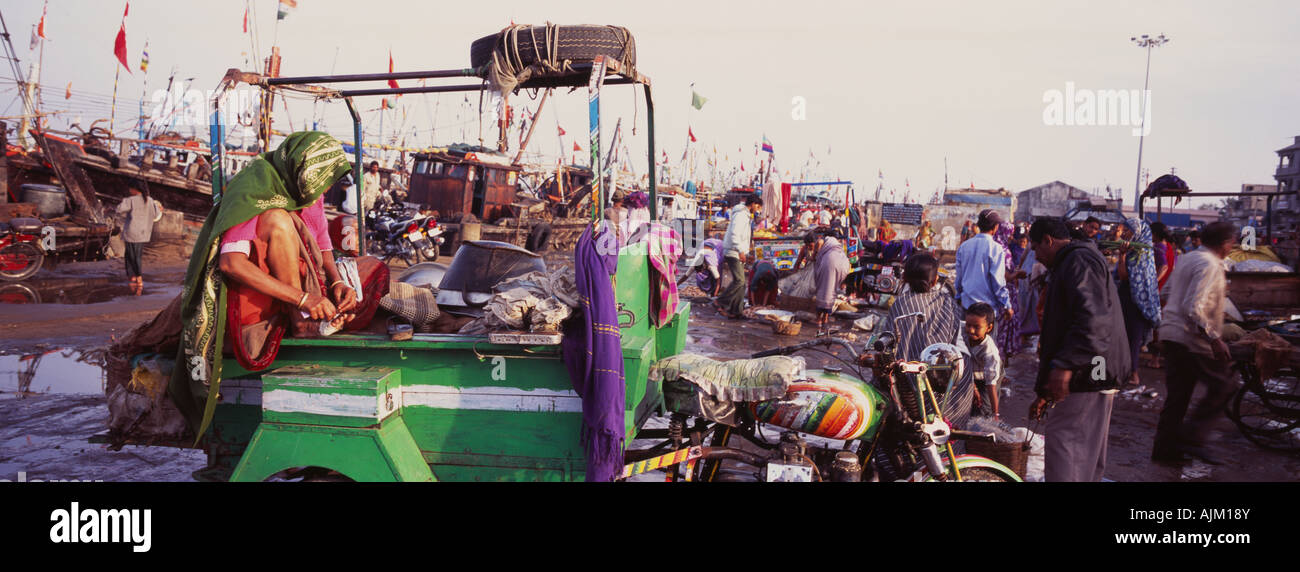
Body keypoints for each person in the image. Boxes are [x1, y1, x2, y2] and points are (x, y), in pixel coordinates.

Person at [1027, 217, 1129, 482]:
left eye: (1036, 248)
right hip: (1093, 368)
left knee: (1066, 442)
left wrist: (1064, 366)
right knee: (1085, 450)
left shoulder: (1078, 260)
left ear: (1048, 241)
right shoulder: (1073, 261)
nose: (1036, 256)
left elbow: (1092, 320)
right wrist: (1044, 389)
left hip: (1091, 370)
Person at [1151, 221, 1238, 466]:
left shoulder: (1189, 258)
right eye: (1232, 242)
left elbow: (1166, 294)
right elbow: (1194, 307)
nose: (1232, 247)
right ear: (1224, 244)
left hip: (1173, 334)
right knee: (1225, 385)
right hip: (1191, 338)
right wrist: (1215, 338)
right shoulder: (1210, 264)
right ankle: (1192, 438)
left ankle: (1165, 450)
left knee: (1178, 396)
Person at [880, 252, 974, 428]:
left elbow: (887, 340)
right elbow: (952, 340)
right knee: (963, 367)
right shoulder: (946, 302)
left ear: (905, 278)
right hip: (940, 380)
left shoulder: (899, 303)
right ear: (934, 280)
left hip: (904, 379)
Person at [1113, 218, 1164, 387]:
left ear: (1138, 233)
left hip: (1135, 300)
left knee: (1132, 338)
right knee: (1125, 337)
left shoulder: (1140, 253)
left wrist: (1121, 256)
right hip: (1127, 298)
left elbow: (1124, 276)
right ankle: (1125, 370)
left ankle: (1133, 374)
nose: (1125, 234)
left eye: (1129, 231)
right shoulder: (1139, 250)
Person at [954, 209, 1013, 322]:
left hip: (967, 306)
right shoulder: (996, 248)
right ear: (995, 227)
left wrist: (958, 297)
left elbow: (959, 279)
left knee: (967, 338)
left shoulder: (964, 246)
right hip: (987, 311)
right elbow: (998, 282)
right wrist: (1007, 305)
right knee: (986, 339)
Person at [716, 195, 763, 319]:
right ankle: (721, 301)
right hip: (733, 251)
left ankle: (736, 311)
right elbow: (734, 234)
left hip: (737, 251)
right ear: (752, 204)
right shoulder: (741, 215)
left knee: (742, 284)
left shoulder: (745, 215)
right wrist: (741, 251)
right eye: (757, 207)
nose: (757, 210)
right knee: (740, 280)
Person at [115, 181, 164, 286]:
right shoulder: (150, 200)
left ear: (134, 189)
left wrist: (123, 201)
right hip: (143, 233)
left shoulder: (131, 200)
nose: (129, 191)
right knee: (137, 255)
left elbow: (119, 209)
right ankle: (138, 277)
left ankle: (135, 276)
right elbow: (156, 214)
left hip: (131, 232)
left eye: (130, 189)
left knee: (130, 254)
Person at [962, 302, 1002, 420]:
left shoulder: (990, 352)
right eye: (968, 325)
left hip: (987, 379)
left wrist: (996, 414)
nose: (971, 330)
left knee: (984, 409)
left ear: (989, 328)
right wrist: (973, 387)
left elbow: (991, 385)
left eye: (977, 327)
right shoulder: (960, 329)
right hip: (969, 374)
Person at [991, 221, 1023, 360]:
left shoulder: (995, 247)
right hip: (1004, 293)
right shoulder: (1001, 250)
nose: (1010, 237)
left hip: (1001, 292)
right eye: (1009, 233)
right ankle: (999, 362)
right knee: (1002, 328)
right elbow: (1004, 277)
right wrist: (1017, 274)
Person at [812, 229, 852, 329]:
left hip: (829, 262)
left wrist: (814, 259)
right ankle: (825, 319)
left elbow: (815, 256)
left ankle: (818, 320)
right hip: (842, 262)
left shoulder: (822, 241)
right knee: (831, 292)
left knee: (822, 292)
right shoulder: (837, 243)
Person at [1150, 222, 1176, 292]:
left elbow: (1164, 266)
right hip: (1167, 285)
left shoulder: (1158, 247)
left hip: (1160, 287)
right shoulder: (1168, 246)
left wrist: (1153, 282)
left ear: (1154, 234)